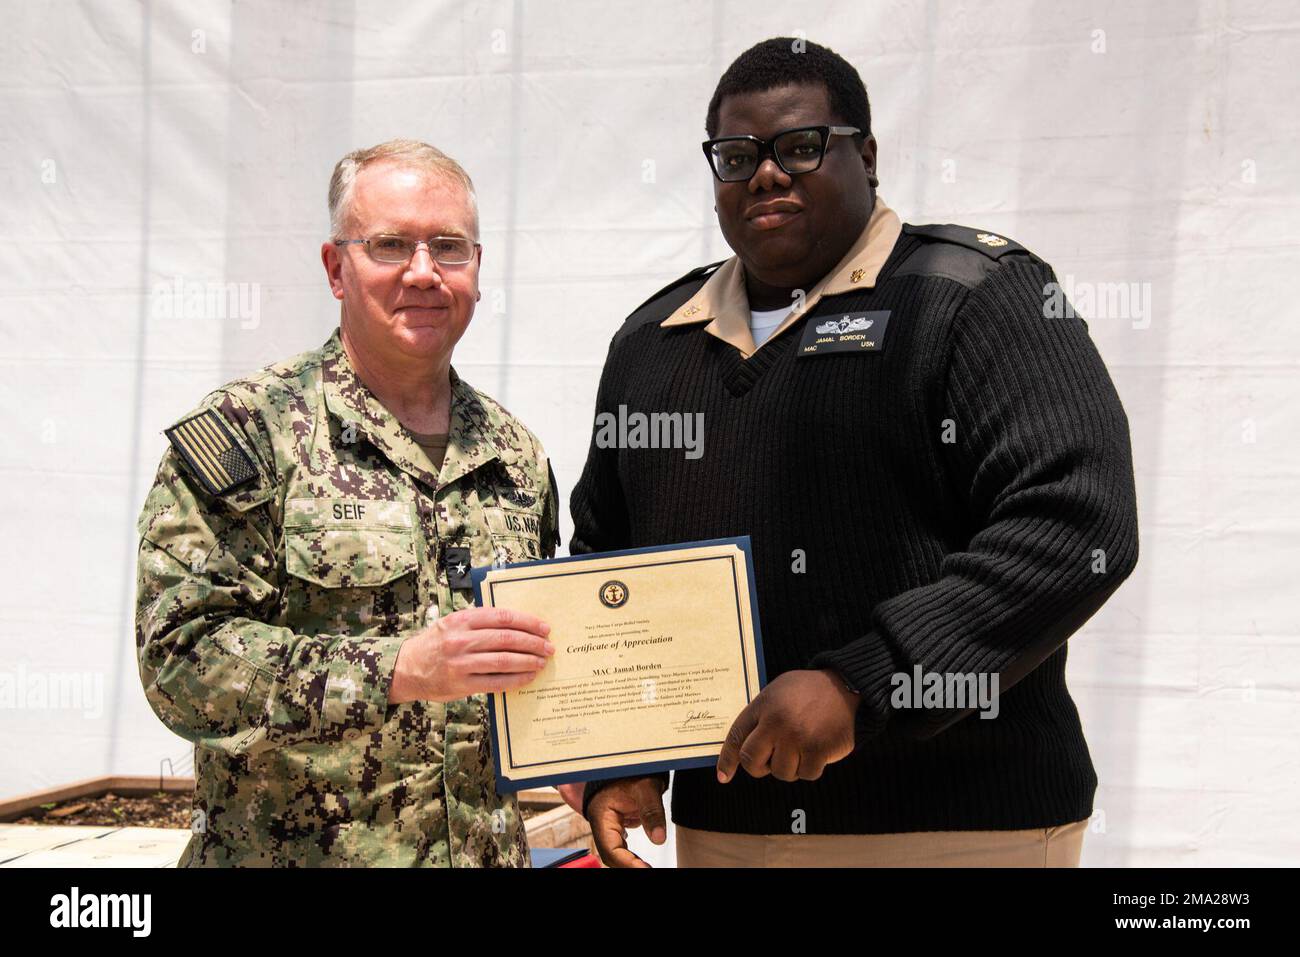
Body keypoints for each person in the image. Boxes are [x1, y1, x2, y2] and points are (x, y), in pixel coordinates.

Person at [571, 38, 1139, 867]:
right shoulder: (653, 341)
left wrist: (862, 681)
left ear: (866, 155)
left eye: (801, 147)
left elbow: (1075, 523)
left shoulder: (977, 297)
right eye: (737, 156)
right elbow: (608, 562)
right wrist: (623, 756)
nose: (767, 174)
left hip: (960, 829)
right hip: (725, 830)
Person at [134, 139, 560, 866]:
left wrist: (585, 760)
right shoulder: (250, 431)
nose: (423, 272)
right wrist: (397, 668)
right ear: (337, 268)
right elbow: (183, 662)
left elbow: (525, 671)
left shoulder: (515, 454)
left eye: (448, 248)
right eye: (391, 244)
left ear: (478, 272)